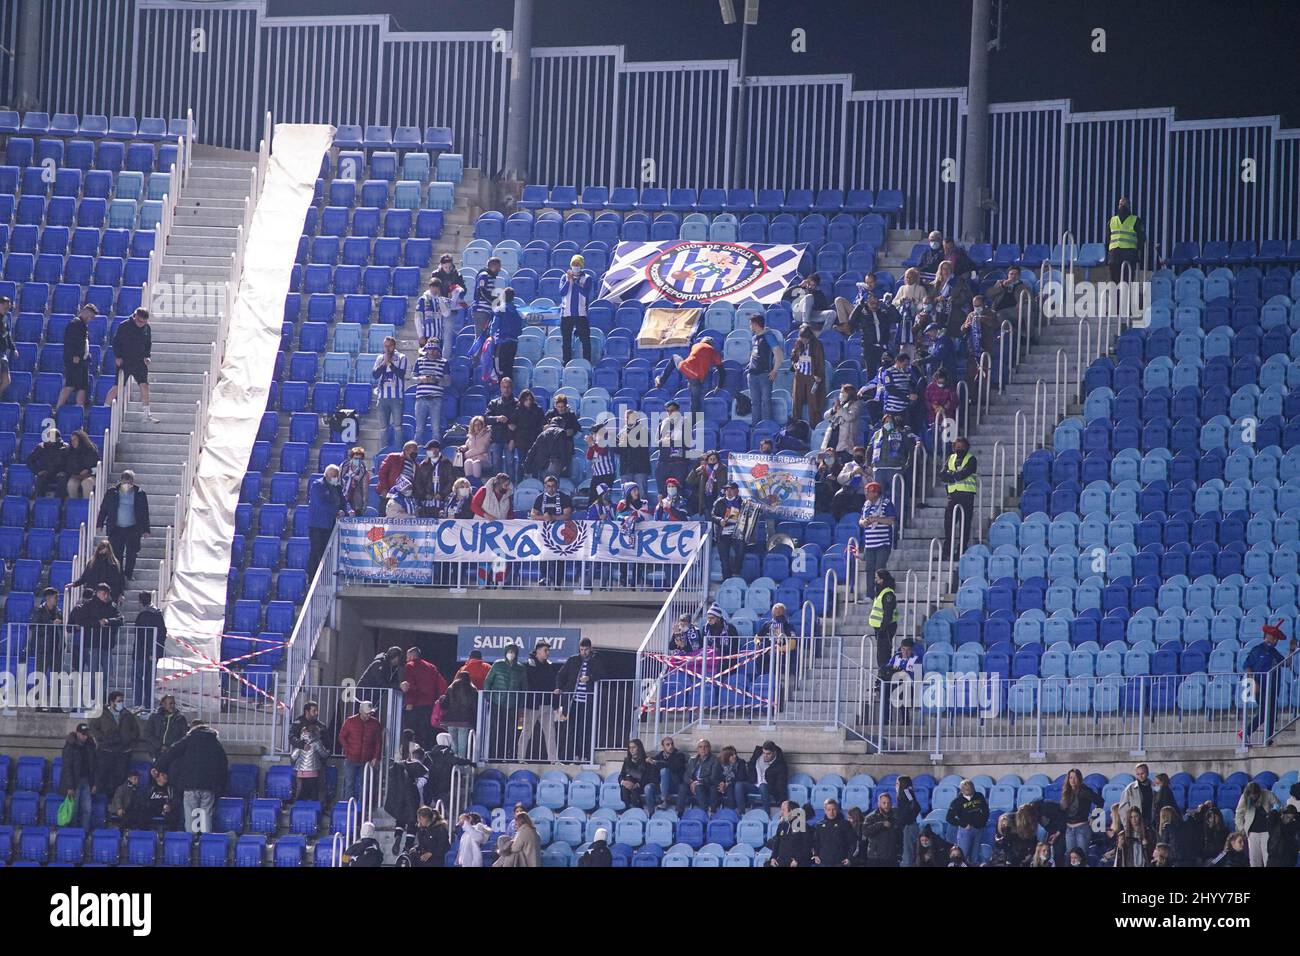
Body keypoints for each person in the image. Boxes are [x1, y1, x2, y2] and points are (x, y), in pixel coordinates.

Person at [157, 721, 228, 834]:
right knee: (206, 816)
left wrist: (158, 766)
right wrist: (221, 787)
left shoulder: (189, 739)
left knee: (191, 816)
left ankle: (192, 842)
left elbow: (172, 752)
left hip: (190, 785)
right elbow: (223, 764)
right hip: (209, 786)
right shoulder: (215, 743)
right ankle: (206, 843)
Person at [1243, 621, 1296, 743]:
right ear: (1267, 636)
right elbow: (1247, 666)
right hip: (1261, 687)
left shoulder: (1274, 652)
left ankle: (1268, 739)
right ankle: (1245, 733)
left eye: (1277, 638)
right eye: (1273, 637)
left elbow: (1286, 664)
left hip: (1272, 689)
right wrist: (1254, 683)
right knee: (1263, 713)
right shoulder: (1257, 650)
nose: (1275, 641)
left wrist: (1292, 651)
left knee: (1272, 715)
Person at [96, 470, 150, 581]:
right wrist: (99, 523)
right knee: (116, 553)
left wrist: (146, 529)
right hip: (116, 528)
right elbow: (104, 509)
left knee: (132, 553)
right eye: (124, 483)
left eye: (129, 483)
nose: (127, 485)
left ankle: (128, 574)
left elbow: (145, 512)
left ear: (132, 482)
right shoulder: (112, 492)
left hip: (133, 528)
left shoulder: (140, 493)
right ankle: (118, 575)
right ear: (120, 481)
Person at [557, 637, 601, 760]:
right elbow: (561, 674)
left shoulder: (596, 660)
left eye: (586, 650)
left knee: (586, 729)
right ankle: (574, 755)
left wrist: (590, 678)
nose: (584, 652)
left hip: (588, 701)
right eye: (581, 650)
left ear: (590, 649)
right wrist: (559, 687)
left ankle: (585, 755)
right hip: (574, 701)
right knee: (572, 728)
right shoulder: (573, 660)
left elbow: (602, 674)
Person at [89, 689, 140, 796]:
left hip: (123, 752)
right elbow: (93, 728)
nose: (121, 703)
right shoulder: (101, 714)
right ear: (111, 702)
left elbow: (135, 730)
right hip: (106, 750)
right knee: (102, 777)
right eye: (119, 701)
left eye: (122, 701)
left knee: (120, 778)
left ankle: (115, 802)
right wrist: (103, 739)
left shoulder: (127, 715)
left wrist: (127, 739)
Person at [483, 642, 528, 758]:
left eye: (513, 652)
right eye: (509, 651)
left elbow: (524, 687)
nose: (511, 654)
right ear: (505, 652)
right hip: (497, 703)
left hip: (513, 705)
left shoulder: (521, 668)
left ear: (517, 653)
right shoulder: (498, 665)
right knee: (496, 730)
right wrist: (489, 697)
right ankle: (494, 755)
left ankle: (509, 755)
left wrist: (521, 703)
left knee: (512, 732)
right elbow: (488, 682)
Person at [518, 640, 560, 762]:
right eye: (545, 650)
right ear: (537, 651)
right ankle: (520, 758)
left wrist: (555, 701)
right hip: (532, 704)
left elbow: (553, 684)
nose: (548, 653)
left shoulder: (550, 667)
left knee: (551, 733)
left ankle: (554, 759)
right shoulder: (527, 666)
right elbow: (526, 684)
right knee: (526, 732)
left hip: (547, 705)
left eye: (548, 650)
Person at [657, 335, 723, 412]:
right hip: (697, 377)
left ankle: (661, 381)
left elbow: (693, 361)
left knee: (674, 357)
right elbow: (721, 371)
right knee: (695, 402)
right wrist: (719, 386)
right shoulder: (714, 352)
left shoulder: (695, 345)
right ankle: (694, 422)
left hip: (685, 368)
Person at [337, 700, 382, 808]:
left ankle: (362, 807)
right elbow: (342, 737)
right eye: (367, 713)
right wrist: (348, 750)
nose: (368, 715)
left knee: (365, 785)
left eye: (370, 713)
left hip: (366, 760)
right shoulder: (350, 721)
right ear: (360, 711)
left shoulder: (375, 723)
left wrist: (376, 757)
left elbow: (378, 742)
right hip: (351, 758)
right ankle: (349, 807)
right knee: (349, 783)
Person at [530, 474, 573, 587]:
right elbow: (533, 514)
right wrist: (543, 518)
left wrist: (553, 518)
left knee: (559, 557)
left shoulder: (564, 497)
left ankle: (557, 583)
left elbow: (567, 515)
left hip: (561, 533)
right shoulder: (540, 498)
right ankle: (544, 577)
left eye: (553, 486)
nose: (551, 488)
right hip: (545, 533)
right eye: (548, 486)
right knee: (543, 556)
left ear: (557, 486)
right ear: (545, 486)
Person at [401, 647, 448, 748]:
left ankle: (412, 754)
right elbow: (442, 684)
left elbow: (411, 685)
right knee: (426, 731)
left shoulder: (410, 666)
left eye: (407, 657)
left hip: (415, 705)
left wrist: (409, 702)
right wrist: (441, 700)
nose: (406, 659)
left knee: (412, 731)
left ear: (412, 656)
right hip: (429, 705)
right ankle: (425, 753)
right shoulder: (431, 667)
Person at [858, 482, 896, 600]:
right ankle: (870, 594)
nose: (866, 494)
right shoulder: (866, 505)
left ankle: (880, 594)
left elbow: (891, 520)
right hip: (869, 544)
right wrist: (863, 522)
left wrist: (876, 519)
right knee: (869, 569)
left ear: (875, 493)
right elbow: (861, 519)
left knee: (880, 570)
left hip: (882, 543)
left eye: (868, 492)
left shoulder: (886, 503)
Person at [305, 463, 344, 579]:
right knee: (316, 552)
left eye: (337, 475)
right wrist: (336, 511)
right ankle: (312, 579)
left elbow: (343, 501)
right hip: (318, 525)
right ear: (326, 474)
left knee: (328, 554)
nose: (335, 478)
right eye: (333, 475)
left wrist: (345, 511)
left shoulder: (337, 487)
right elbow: (320, 503)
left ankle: (325, 577)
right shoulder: (318, 485)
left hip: (330, 525)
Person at [940, 436, 977, 553]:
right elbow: (942, 473)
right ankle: (947, 551)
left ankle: (961, 550)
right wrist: (954, 475)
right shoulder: (951, 457)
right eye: (957, 446)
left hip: (967, 496)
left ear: (966, 447)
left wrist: (952, 475)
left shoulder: (971, 459)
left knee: (964, 525)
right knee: (948, 524)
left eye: (962, 446)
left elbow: (965, 473)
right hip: (953, 496)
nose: (959, 448)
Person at [745, 312, 783, 425]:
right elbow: (754, 353)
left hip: (764, 374)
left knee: (766, 402)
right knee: (755, 402)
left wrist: (775, 370)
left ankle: (767, 425)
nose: (749, 327)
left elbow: (778, 353)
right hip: (752, 374)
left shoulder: (768, 336)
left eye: (750, 324)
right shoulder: (754, 338)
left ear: (756, 324)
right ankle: (756, 425)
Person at [372, 335, 408, 449]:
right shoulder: (380, 358)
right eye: (385, 346)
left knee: (398, 426)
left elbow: (401, 374)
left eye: (389, 346)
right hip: (382, 396)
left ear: (394, 346)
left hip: (396, 397)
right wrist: (384, 364)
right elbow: (375, 375)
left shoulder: (402, 357)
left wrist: (391, 365)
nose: (387, 349)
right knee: (383, 427)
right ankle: (383, 450)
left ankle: (398, 450)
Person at [55, 303, 92, 412]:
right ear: (85, 311)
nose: (91, 318)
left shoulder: (83, 325)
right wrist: (74, 356)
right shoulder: (75, 323)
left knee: (82, 386)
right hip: (75, 360)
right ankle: (58, 408)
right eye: (90, 315)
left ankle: (79, 410)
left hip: (83, 360)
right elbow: (70, 342)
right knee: (70, 384)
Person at [411, 341, 450, 446]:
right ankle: (416, 451)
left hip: (436, 398)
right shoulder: (419, 361)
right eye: (430, 349)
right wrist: (421, 379)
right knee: (419, 429)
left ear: (438, 350)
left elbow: (448, 382)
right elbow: (412, 378)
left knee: (435, 429)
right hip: (421, 398)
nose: (432, 352)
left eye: (434, 350)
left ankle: (436, 451)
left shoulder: (444, 362)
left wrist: (436, 380)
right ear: (426, 350)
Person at [61, 722, 98, 830]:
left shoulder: (90, 746)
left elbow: (94, 766)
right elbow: (67, 767)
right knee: (74, 810)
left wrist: (95, 783)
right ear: (77, 733)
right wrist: (70, 786)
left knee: (87, 809)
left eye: (86, 734)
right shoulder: (69, 747)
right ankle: (74, 833)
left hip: (86, 780)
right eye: (83, 734)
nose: (85, 736)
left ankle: (84, 832)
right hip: (75, 782)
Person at [1060, 768, 1103, 858]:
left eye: (1075, 778)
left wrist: (1093, 817)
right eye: (1071, 778)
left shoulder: (1085, 791)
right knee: (1070, 855)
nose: (1072, 780)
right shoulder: (1066, 792)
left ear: (1079, 779)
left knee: (1082, 855)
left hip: (1082, 828)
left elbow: (1100, 801)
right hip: (1069, 829)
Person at [789, 323, 826, 426]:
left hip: (812, 375)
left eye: (805, 338)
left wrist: (819, 375)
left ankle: (814, 424)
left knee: (813, 401)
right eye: (802, 338)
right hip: (800, 374)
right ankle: (796, 423)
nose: (804, 340)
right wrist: (794, 364)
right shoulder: (798, 343)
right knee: (797, 399)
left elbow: (820, 361)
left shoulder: (817, 345)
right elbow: (793, 356)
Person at [558, 255, 593, 364]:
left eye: (577, 264)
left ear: (581, 265)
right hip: (566, 314)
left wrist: (575, 282)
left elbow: (585, 293)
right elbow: (561, 292)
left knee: (585, 340)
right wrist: (569, 281)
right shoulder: (564, 277)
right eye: (574, 264)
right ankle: (566, 362)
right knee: (566, 341)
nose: (575, 266)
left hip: (581, 314)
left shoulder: (587, 278)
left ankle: (587, 362)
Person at [945, 778, 990, 863]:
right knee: (963, 854)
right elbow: (949, 818)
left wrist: (983, 822)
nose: (970, 790)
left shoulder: (979, 796)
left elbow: (986, 810)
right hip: (966, 831)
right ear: (962, 790)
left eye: (971, 788)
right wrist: (963, 824)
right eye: (967, 789)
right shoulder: (957, 801)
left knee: (975, 856)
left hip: (978, 829)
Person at [437, 669, 479, 758]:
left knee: (453, 744)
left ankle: (452, 764)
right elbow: (474, 707)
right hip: (465, 721)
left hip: (451, 721)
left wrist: (441, 700)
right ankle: (461, 766)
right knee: (462, 745)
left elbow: (445, 705)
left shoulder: (451, 688)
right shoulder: (473, 689)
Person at [1235, 782, 1278, 867]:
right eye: (1251, 795)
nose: (1253, 797)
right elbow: (1239, 814)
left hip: (1267, 830)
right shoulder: (1244, 797)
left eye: (1255, 795)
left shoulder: (1267, 794)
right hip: (1252, 831)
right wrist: (1241, 828)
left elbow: (1278, 805)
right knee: (1254, 859)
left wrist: (1273, 811)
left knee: (1268, 857)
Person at [485, 375, 518, 478]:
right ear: (500, 388)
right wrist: (497, 418)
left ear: (512, 388)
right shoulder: (494, 403)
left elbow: (521, 421)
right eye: (504, 387)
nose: (506, 389)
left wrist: (514, 427)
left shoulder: (517, 403)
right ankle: (496, 489)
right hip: (497, 438)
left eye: (508, 387)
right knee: (496, 465)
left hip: (510, 438)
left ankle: (511, 488)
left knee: (510, 464)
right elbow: (486, 418)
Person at [711, 481, 746, 580]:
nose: (728, 492)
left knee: (740, 551)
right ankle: (726, 579)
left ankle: (736, 573)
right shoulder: (719, 502)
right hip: (722, 533)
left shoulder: (742, 502)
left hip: (737, 532)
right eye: (727, 490)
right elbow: (712, 515)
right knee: (724, 558)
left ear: (737, 491)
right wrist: (720, 520)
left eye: (731, 490)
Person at [677, 738, 722, 814]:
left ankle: (704, 812)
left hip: (707, 785)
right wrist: (691, 783)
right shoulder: (692, 760)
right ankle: (679, 812)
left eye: (705, 746)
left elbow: (713, 778)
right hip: (694, 785)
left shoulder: (715, 760)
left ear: (709, 748)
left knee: (698, 786)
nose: (703, 749)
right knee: (682, 787)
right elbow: (686, 775)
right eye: (700, 747)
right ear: (697, 749)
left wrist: (698, 782)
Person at [489, 287, 523, 382]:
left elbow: (494, 325)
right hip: (513, 344)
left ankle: (502, 391)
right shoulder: (517, 311)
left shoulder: (500, 310)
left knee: (500, 370)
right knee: (509, 368)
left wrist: (491, 335)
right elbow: (520, 329)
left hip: (502, 343)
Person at [1106, 196, 1144, 282]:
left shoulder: (1135, 220)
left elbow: (1141, 239)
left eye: (1123, 204)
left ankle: (1120, 296)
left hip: (1125, 254)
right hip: (1119, 254)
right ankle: (1117, 296)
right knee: (1119, 281)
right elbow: (1141, 239)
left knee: (1122, 281)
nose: (1122, 206)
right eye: (1120, 204)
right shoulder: (1113, 220)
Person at [868, 569, 899, 673]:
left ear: (882, 579)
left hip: (885, 628)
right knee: (881, 654)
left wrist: (882, 628)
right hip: (881, 628)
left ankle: (884, 677)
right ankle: (882, 675)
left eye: (877, 578)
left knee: (884, 655)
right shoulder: (882, 592)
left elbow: (888, 613)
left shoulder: (888, 594)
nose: (875, 580)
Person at [823, 384, 863, 464]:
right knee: (827, 465)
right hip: (831, 440)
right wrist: (834, 409)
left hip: (845, 444)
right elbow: (826, 416)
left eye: (842, 392)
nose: (840, 394)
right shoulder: (840, 404)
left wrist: (840, 408)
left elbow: (850, 417)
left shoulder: (856, 404)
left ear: (849, 393)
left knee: (841, 466)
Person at [414, 439, 454, 516]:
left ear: (437, 450)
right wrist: (424, 494)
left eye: (429, 449)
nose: (428, 451)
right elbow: (418, 482)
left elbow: (451, 481)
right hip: (426, 502)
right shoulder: (423, 465)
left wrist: (442, 494)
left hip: (443, 501)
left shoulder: (447, 464)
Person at [860, 792, 902, 867]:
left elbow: (900, 836)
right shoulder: (871, 817)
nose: (886, 805)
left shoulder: (896, 816)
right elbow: (865, 832)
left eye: (888, 803)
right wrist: (881, 824)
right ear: (879, 803)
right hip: (875, 857)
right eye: (884, 803)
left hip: (891, 857)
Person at [813, 798, 856, 867]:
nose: (831, 812)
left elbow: (853, 842)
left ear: (837, 810)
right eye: (829, 810)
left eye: (834, 809)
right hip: (823, 862)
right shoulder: (819, 825)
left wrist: (849, 858)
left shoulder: (845, 824)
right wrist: (815, 855)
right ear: (825, 810)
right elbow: (815, 842)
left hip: (840, 862)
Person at [27, 428, 69, 498]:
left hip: (59, 474)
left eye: (51, 436)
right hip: (46, 472)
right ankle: (39, 500)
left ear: (58, 438)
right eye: (48, 436)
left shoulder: (65, 448)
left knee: (62, 478)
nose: (49, 439)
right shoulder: (41, 447)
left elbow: (70, 462)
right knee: (40, 478)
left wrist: (64, 471)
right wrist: (38, 471)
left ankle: (59, 502)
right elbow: (30, 460)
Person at [647, 737, 687, 811]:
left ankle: (664, 801)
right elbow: (653, 774)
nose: (671, 746)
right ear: (663, 747)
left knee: (664, 771)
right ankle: (650, 813)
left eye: (672, 744)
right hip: (661, 785)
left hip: (675, 784)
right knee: (648, 787)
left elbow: (674, 767)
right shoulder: (658, 757)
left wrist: (658, 763)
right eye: (668, 745)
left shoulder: (679, 755)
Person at [686, 449, 727, 519]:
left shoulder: (723, 468)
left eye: (714, 458)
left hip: (718, 498)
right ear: (707, 460)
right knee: (708, 520)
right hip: (706, 500)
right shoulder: (703, 469)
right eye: (710, 458)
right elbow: (689, 481)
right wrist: (695, 470)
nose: (712, 460)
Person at [144, 694, 188, 759]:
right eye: (170, 703)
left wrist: (171, 748)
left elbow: (183, 736)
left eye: (173, 703)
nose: (173, 706)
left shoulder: (180, 718)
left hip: (173, 753)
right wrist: (160, 746)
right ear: (163, 704)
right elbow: (147, 733)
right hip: (157, 752)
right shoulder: (154, 717)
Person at [617, 409, 651, 492]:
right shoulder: (621, 432)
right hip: (626, 469)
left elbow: (642, 445)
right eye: (627, 417)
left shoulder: (643, 430)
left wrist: (627, 441)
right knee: (626, 496)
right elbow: (616, 449)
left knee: (641, 494)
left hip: (640, 469)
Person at [62, 429, 99, 499]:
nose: (73, 442)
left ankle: (86, 505)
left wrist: (89, 471)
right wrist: (75, 473)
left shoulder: (91, 450)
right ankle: (74, 506)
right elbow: (67, 467)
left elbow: (98, 468)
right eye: (72, 440)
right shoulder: (70, 452)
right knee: (71, 484)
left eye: (75, 440)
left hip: (90, 476)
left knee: (87, 483)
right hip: (76, 476)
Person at [618, 739, 655, 809]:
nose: (631, 750)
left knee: (633, 790)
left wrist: (636, 785)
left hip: (640, 786)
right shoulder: (627, 761)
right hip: (627, 787)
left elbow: (649, 778)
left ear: (639, 748)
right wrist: (623, 782)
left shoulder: (646, 761)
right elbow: (621, 775)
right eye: (630, 748)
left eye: (634, 747)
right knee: (626, 785)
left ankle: (636, 809)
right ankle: (628, 809)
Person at [895, 775, 922, 867]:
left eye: (897, 783)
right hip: (907, 824)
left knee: (908, 851)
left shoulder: (906, 791)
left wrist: (907, 818)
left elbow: (914, 805)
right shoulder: (905, 792)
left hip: (908, 825)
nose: (896, 785)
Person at [338, 446, 370, 516]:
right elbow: (339, 481)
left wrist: (364, 504)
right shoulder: (343, 467)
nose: (357, 461)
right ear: (351, 458)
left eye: (360, 459)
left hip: (356, 498)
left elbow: (365, 489)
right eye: (355, 458)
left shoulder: (364, 471)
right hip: (343, 494)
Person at [717, 745, 750, 810]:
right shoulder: (719, 763)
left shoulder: (740, 762)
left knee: (730, 788)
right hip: (723, 785)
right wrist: (722, 783)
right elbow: (716, 776)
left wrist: (728, 783)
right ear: (726, 756)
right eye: (732, 755)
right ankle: (713, 811)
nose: (735, 756)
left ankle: (734, 811)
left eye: (735, 754)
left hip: (735, 785)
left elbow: (741, 777)